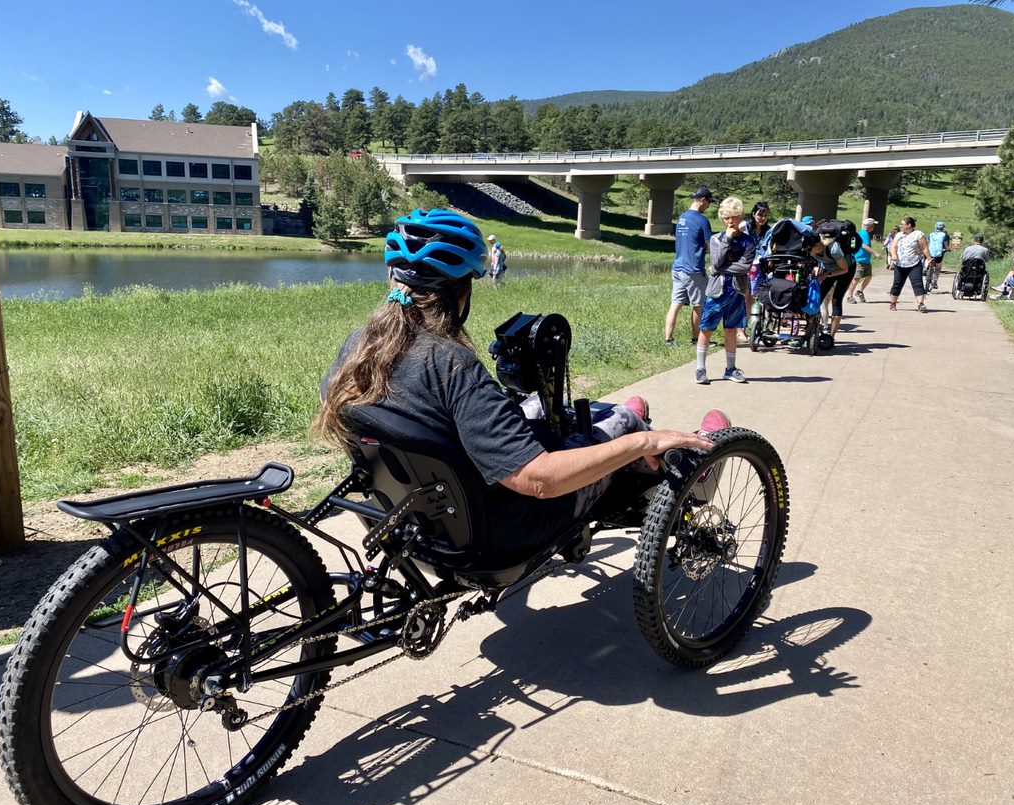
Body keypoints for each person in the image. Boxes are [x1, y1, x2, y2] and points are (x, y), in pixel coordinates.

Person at [314, 208, 719, 555]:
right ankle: (692, 472)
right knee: (628, 428)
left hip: (420, 520)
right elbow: (537, 480)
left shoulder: (359, 346)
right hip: (505, 529)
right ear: (459, 292)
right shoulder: (453, 365)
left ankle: (622, 420)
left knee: (544, 409)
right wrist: (641, 443)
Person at [696, 196, 753, 384]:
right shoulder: (716, 239)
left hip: (736, 292)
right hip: (716, 292)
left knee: (731, 330)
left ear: (740, 217)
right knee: (706, 329)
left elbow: (744, 268)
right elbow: (715, 260)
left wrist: (718, 268)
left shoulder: (748, 242)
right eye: (727, 218)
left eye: (734, 217)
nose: (730, 222)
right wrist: (727, 240)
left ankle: (730, 369)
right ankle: (700, 369)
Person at [665, 186, 715, 345]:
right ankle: (697, 339)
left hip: (678, 267)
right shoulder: (702, 220)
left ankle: (668, 339)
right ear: (702, 200)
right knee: (699, 305)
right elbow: (709, 245)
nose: (708, 206)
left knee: (675, 305)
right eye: (708, 203)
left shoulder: (682, 218)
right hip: (694, 269)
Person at [810, 228, 853, 341]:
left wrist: (826, 274)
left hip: (846, 269)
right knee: (818, 298)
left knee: (836, 299)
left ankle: (831, 337)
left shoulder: (833, 249)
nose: (810, 251)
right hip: (828, 269)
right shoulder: (811, 249)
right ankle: (810, 330)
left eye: (812, 248)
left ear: (819, 245)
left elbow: (844, 269)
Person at [739, 201, 771, 341]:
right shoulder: (745, 226)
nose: (762, 218)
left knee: (753, 299)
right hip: (746, 266)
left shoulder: (768, 231)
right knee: (743, 298)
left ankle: (756, 327)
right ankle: (740, 330)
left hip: (760, 267)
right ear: (753, 214)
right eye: (759, 214)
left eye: (765, 215)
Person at [888, 216, 932, 312]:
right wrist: (894, 255)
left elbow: (924, 247)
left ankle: (921, 304)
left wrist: (929, 258)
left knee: (917, 283)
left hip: (914, 263)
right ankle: (893, 303)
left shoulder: (918, 234)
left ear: (909, 225)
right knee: (897, 284)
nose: (901, 226)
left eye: (902, 224)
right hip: (900, 264)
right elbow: (893, 246)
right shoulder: (899, 235)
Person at [846, 218, 882, 305]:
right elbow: (864, 245)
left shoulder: (865, 233)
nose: (874, 227)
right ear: (870, 225)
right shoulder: (863, 233)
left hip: (865, 260)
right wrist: (875, 253)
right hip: (859, 260)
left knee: (868, 276)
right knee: (856, 279)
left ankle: (859, 291)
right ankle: (849, 296)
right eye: (873, 225)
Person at [925, 221, 951, 291]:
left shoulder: (930, 234)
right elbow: (946, 245)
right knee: (938, 267)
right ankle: (935, 281)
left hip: (930, 253)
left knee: (929, 260)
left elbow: (928, 243)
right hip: (939, 254)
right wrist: (948, 249)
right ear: (943, 228)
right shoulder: (945, 235)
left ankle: (926, 268)